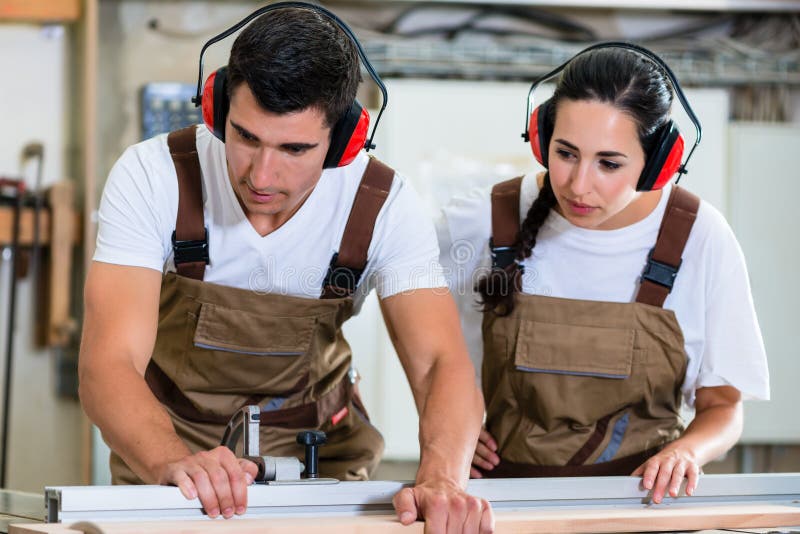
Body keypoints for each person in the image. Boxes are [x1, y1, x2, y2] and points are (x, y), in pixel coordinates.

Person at [79, 4, 494, 531]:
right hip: (171, 463)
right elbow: (107, 364)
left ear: (343, 140)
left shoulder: (382, 204)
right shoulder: (153, 176)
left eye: (295, 149)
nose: (262, 175)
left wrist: (443, 479)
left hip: (321, 463)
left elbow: (440, 363)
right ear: (217, 106)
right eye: (246, 136)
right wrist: (169, 460)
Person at [437, 43, 769, 504]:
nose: (578, 184)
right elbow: (433, 359)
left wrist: (687, 453)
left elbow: (724, 406)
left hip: (638, 510)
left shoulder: (698, 236)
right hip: (501, 506)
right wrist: (444, 441)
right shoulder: (479, 221)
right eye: (566, 153)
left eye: (609, 163)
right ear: (541, 138)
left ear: (658, 164)